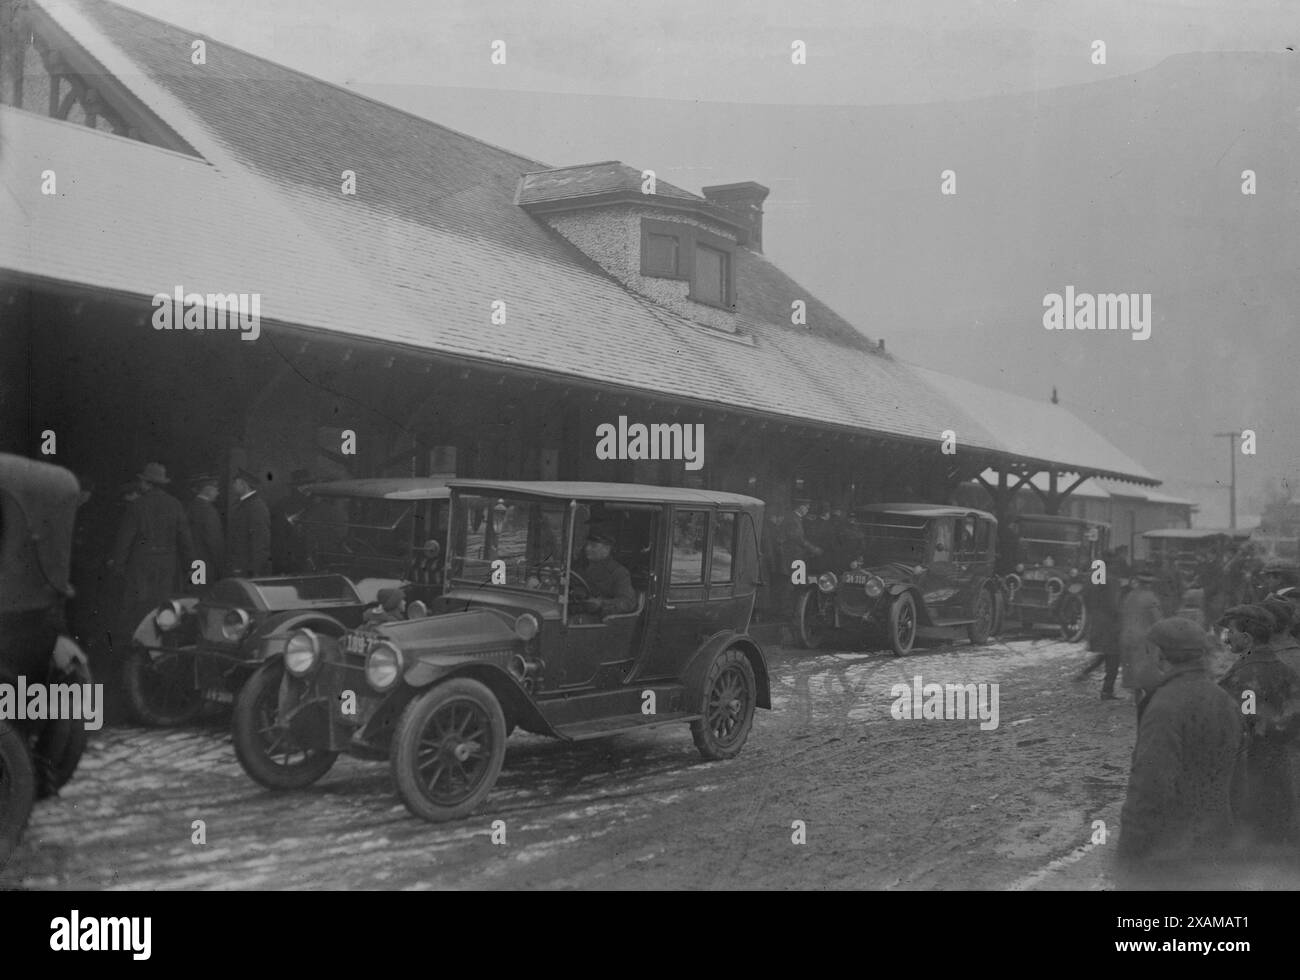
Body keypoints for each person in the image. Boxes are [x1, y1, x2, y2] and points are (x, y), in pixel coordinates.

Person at [1116, 617, 1241, 880]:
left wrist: (1128, 852)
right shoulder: (1223, 698)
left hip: (1171, 848)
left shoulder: (1165, 705)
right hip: (1217, 839)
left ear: (1160, 655)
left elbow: (1150, 787)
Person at [1217, 603, 1300, 847]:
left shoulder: (1245, 676)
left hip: (1251, 772)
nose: (1227, 637)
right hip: (1282, 768)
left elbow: (1245, 724)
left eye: (1230, 631)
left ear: (1246, 638)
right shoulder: (1284, 670)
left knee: (1254, 838)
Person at [108, 462, 193, 629]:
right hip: (167, 565)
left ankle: (138, 641)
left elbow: (124, 540)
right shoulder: (175, 504)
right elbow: (186, 540)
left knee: (138, 609)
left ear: (146, 483)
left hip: (140, 565)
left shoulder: (137, 505)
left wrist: (118, 566)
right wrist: (189, 565)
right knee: (162, 607)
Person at [1077, 548, 1123, 699]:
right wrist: (1121, 616)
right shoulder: (1112, 580)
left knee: (1106, 652)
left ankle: (1087, 672)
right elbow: (1113, 605)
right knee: (1113, 654)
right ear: (1112, 563)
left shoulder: (1091, 577)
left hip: (1096, 620)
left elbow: (1085, 598)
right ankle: (1107, 690)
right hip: (1110, 623)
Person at [1119, 564, 1165, 705]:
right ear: (1150, 584)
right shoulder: (1151, 598)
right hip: (1144, 638)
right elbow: (1158, 620)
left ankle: (1136, 697)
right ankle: (1148, 698)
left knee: (1132, 668)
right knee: (1146, 668)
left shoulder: (1130, 596)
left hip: (1127, 635)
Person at [576, 528, 636, 616]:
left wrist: (601, 604)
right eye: (587, 544)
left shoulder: (619, 572)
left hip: (601, 619)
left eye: (593, 546)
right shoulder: (582, 567)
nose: (587, 548)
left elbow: (628, 603)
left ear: (606, 549)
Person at [226, 468, 271, 577]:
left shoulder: (256, 506)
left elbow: (260, 541)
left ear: (244, 484)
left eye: (235, 483)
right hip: (239, 567)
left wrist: (256, 571)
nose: (233, 486)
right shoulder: (243, 504)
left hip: (248, 569)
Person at [270, 468, 314, 574]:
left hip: (297, 558)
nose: (310, 487)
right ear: (299, 486)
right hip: (292, 559)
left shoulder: (310, 504)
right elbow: (280, 534)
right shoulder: (287, 505)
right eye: (307, 484)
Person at [186, 474, 224, 588]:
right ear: (208, 490)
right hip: (206, 564)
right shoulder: (209, 511)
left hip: (193, 562)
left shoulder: (190, 507)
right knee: (205, 594)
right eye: (216, 489)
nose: (218, 493)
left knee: (195, 592)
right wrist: (220, 566)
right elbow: (213, 541)